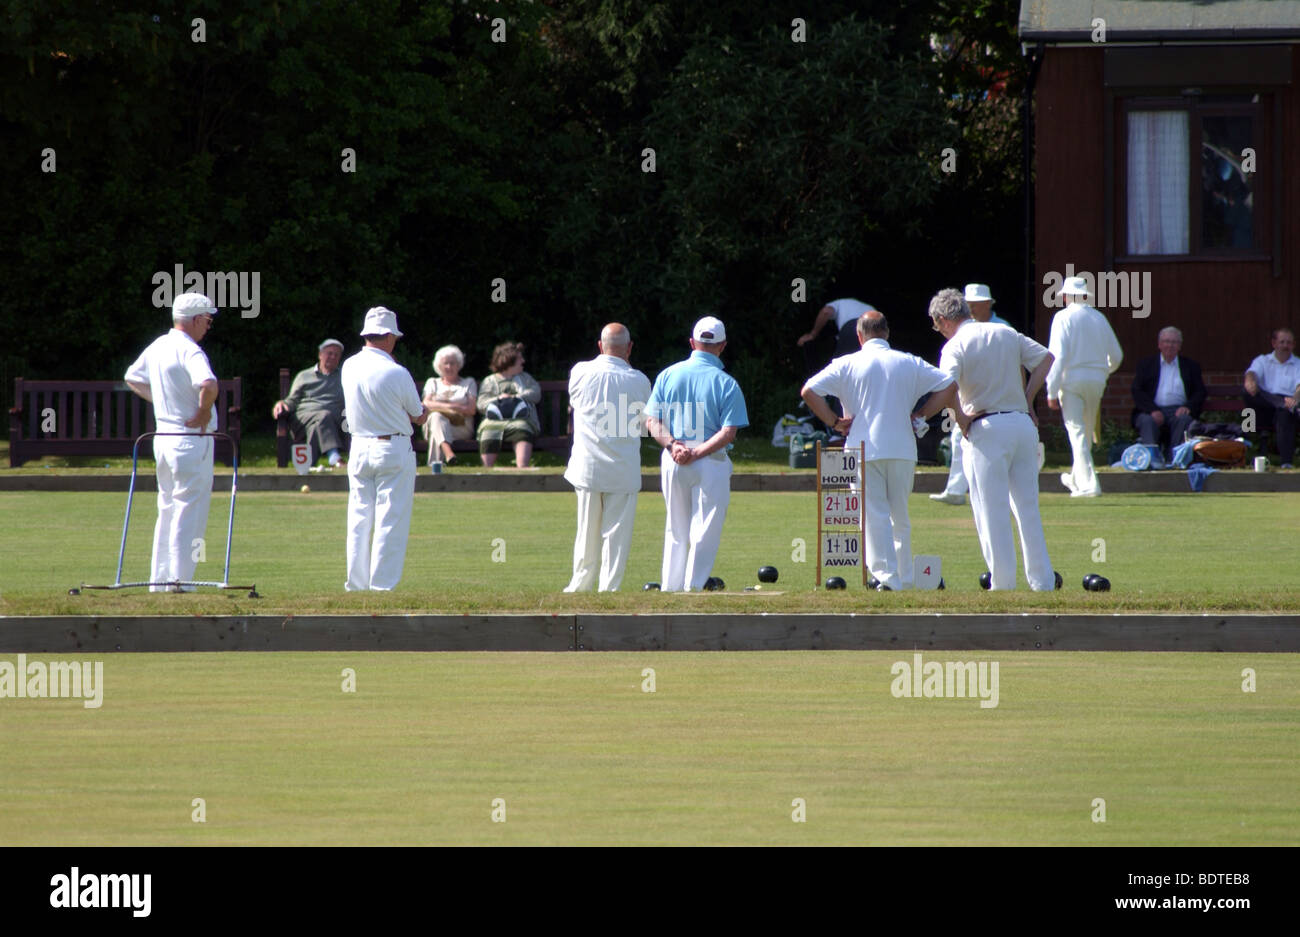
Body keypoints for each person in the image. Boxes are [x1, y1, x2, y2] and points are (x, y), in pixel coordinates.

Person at [801, 311, 956, 591]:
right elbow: (949, 385)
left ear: (859, 336)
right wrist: (921, 413)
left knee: (873, 515)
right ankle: (904, 576)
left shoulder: (846, 363)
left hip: (863, 447)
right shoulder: (908, 361)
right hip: (903, 448)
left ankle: (886, 578)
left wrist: (834, 422)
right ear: (886, 333)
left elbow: (808, 391)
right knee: (900, 515)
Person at [929, 287, 1056, 591]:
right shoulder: (1005, 332)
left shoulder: (954, 345)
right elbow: (1046, 359)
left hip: (987, 430)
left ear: (944, 319)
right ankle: (1042, 583)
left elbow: (945, 385)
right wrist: (1027, 400)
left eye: (937, 327)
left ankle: (1003, 585)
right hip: (1022, 425)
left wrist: (960, 417)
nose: (939, 332)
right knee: (1028, 509)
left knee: (992, 510)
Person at [123, 292, 220, 592]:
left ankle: (160, 581)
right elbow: (208, 384)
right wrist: (202, 411)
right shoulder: (190, 350)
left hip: (163, 440)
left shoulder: (159, 346)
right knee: (188, 510)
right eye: (206, 320)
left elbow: (132, 377)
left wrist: (162, 404)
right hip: (190, 441)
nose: (208, 325)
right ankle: (180, 583)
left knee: (167, 507)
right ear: (193, 320)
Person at [644, 316, 749, 592]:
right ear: (722, 346)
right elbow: (728, 433)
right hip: (709, 459)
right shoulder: (728, 383)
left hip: (674, 458)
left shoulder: (667, 374)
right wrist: (697, 452)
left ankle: (671, 586)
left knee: (676, 527)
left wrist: (673, 446)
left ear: (692, 342)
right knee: (705, 529)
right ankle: (694, 585)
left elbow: (652, 421)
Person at [340, 306, 428, 591]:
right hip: (392, 448)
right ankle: (381, 587)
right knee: (390, 518)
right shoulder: (397, 371)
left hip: (359, 448)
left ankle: (356, 585)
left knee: (359, 518)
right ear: (389, 336)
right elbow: (418, 414)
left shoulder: (349, 365)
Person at [562, 323, 652, 592]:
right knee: (616, 535)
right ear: (629, 348)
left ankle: (580, 586)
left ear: (600, 346)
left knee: (586, 532)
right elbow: (643, 424)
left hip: (588, 467)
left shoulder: (579, 372)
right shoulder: (639, 380)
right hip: (622, 468)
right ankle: (609, 589)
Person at [932, 283, 1012, 506]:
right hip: (971, 398)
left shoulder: (1003, 328)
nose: (973, 309)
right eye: (970, 305)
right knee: (958, 437)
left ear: (988, 304)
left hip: (997, 402)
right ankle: (956, 489)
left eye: (977, 304)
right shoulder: (961, 335)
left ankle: (984, 493)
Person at [1045, 276, 1123, 497]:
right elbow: (1116, 356)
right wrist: (1101, 371)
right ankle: (1075, 479)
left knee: (1078, 432)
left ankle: (1090, 486)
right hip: (1097, 381)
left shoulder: (1063, 317)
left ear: (1067, 296)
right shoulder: (1099, 318)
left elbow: (1057, 357)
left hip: (1071, 381)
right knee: (1085, 433)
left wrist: (1051, 389)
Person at [1131, 327, 1206, 461]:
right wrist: (1152, 410)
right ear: (1159, 344)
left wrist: (1188, 407)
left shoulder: (1191, 366)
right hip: (1152, 410)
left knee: (1184, 419)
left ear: (1180, 346)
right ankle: (1150, 459)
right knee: (1146, 421)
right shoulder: (1146, 364)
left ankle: (1174, 460)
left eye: (1174, 342)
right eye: (1166, 341)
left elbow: (1200, 391)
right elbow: (1137, 390)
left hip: (1178, 411)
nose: (1170, 345)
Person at [272, 338, 348, 468]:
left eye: (336, 355)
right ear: (320, 354)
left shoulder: (344, 376)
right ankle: (334, 457)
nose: (333, 357)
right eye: (329, 353)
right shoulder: (304, 376)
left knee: (319, 422)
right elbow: (292, 399)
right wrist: (282, 404)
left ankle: (307, 469)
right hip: (303, 418)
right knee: (323, 416)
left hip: (334, 421)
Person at [477, 341, 541, 468]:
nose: (523, 361)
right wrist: (499, 399)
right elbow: (481, 403)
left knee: (522, 428)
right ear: (509, 361)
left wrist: (516, 397)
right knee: (488, 430)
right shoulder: (490, 381)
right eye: (519, 358)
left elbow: (536, 394)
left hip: (521, 420)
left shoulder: (525, 378)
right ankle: (487, 472)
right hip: (494, 421)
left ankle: (522, 470)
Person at [1243, 327, 1300, 468]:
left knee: (1285, 413)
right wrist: (1250, 381)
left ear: (1293, 345)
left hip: (1287, 408)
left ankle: (1286, 463)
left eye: (1289, 343)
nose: (1285, 346)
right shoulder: (1262, 360)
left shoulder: (1298, 363)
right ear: (1274, 343)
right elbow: (1251, 373)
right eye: (1282, 342)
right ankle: (1279, 402)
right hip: (1262, 408)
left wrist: (1294, 399)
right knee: (1246, 394)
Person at [421, 344, 477, 469]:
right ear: (439, 366)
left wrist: (440, 406)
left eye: (453, 363)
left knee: (436, 426)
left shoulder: (468, 383)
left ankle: (434, 469)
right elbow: (426, 403)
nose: (449, 367)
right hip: (433, 425)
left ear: (459, 364)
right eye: (445, 363)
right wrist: (454, 407)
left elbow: (471, 409)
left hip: (460, 428)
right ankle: (448, 453)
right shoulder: (432, 383)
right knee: (436, 418)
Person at [798, 298, 877, 359]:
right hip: (874, 333)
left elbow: (826, 312)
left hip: (853, 327)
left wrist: (812, 334)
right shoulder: (871, 308)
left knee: (840, 366)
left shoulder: (838, 303)